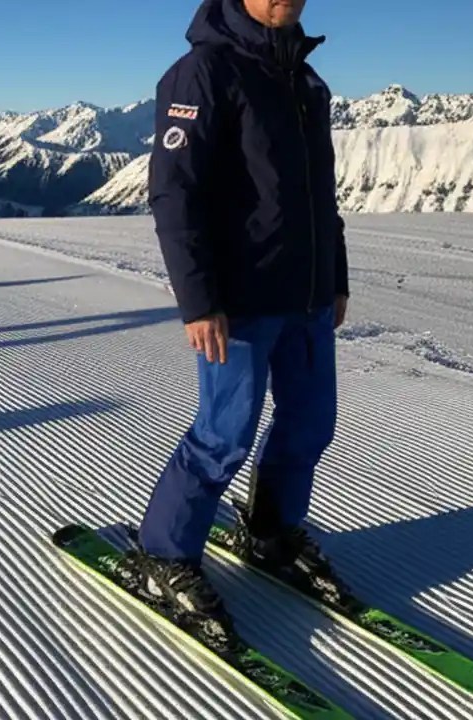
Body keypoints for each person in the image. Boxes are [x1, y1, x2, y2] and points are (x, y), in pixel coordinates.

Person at [118, 0, 351, 650]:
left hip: (304, 294)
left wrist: (334, 276)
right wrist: (198, 299)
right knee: (223, 434)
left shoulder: (308, 85)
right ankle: (162, 556)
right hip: (240, 301)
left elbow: (320, 196)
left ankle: (271, 532)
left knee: (310, 424)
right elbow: (175, 192)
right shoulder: (202, 73)